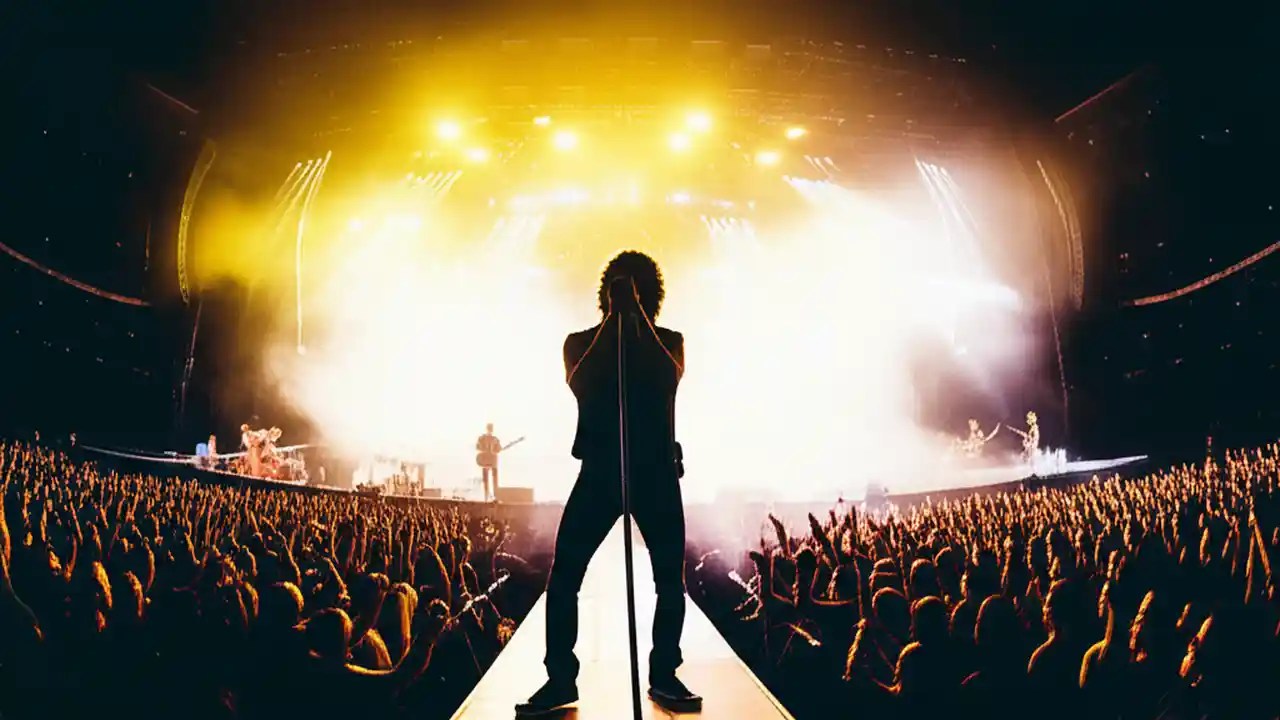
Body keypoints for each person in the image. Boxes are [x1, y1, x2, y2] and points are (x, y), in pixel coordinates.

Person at [516, 251, 701, 716]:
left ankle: (665, 673)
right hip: (599, 469)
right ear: (606, 294)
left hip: (656, 471)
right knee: (564, 576)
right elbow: (582, 384)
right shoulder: (580, 342)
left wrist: (634, 316)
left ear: (650, 296)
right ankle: (560, 679)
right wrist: (616, 323)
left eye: (637, 290)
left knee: (669, 581)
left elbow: (666, 379)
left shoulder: (670, 341)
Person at [476, 424, 502, 502]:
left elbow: (499, 449)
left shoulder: (495, 439)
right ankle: (486, 497)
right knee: (486, 480)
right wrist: (484, 449)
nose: (490, 430)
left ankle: (495, 496)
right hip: (485, 461)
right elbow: (478, 447)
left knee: (494, 480)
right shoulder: (482, 438)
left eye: (491, 429)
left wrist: (496, 449)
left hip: (493, 462)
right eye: (489, 429)